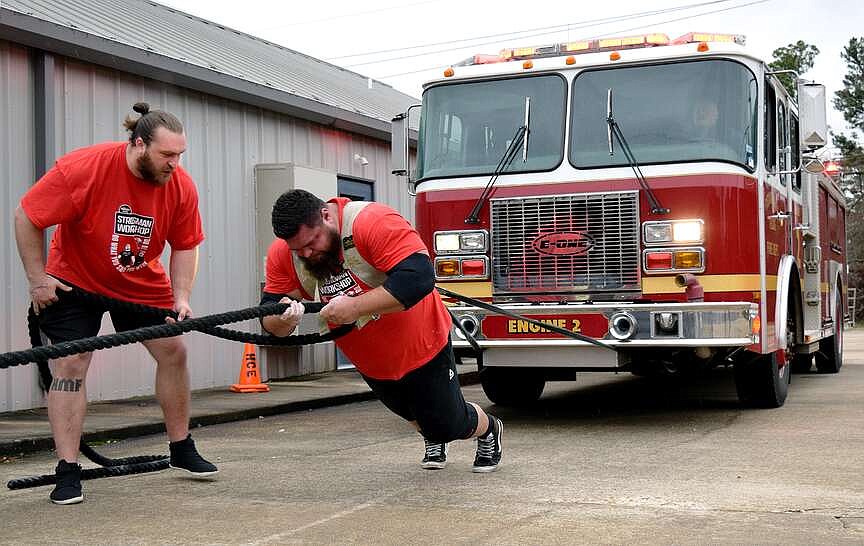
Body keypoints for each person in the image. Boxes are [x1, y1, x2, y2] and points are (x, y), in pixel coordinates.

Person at [14, 102, 217, 505]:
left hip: (139, 282)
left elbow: (186, 245)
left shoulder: (179, 185)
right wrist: (38, 281)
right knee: (72, 363)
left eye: (180, 156)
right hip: (75, 280)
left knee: (173, 350)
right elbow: (27, 216)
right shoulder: (83, 169)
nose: (174, 164)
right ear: (139, 145)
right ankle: (68, 470)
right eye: (166, 155)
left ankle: (181, 448)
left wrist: (182, 297)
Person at [261, 189, 503, 473]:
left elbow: (419, 277)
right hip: (370, 359)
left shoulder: (372, 221)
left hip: (422, 343)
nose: (306, 254)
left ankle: (488, 430)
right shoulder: (287, 254)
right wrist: (285, 320)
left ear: (326, 215)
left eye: (312, 241)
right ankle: (432, 433)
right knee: (408, 413)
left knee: (446, 424)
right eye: (297, 249)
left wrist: (355, 307)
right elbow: (269, 318)